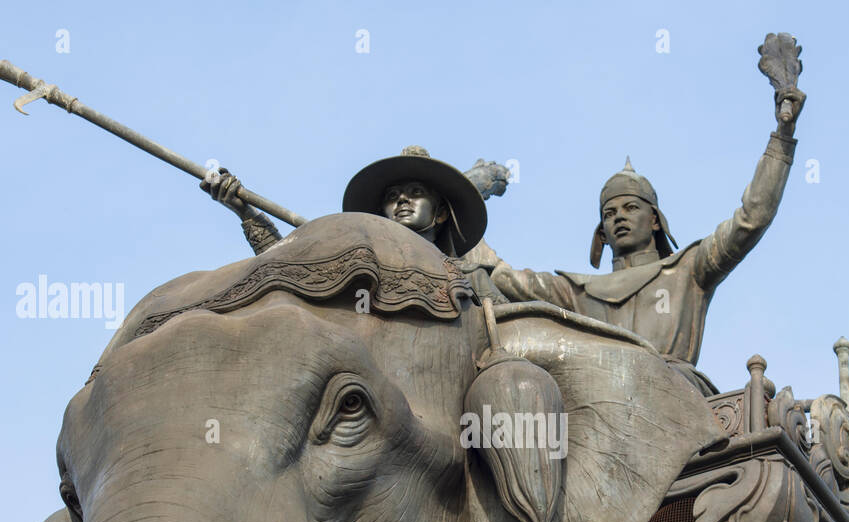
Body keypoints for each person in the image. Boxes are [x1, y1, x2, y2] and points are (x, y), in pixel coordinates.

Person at [474, 83, 805, 394]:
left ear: (656, 221)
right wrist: (458, 203)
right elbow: (502, 277)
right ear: (601, 235)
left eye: (631, 207)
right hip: (605, 401)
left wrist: (782, 137)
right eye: (609, 213)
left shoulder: (689, 270)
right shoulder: (575, 293)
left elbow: (752, 219)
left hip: (674, 393)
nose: (619, 216)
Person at [201, 147, 509, 302]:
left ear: (440, 214)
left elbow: (510, 335)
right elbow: (288, 268)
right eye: (392, 196)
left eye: (416, 193)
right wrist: (245, 211)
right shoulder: (361, 265)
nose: (402, 200)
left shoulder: (470, 278)